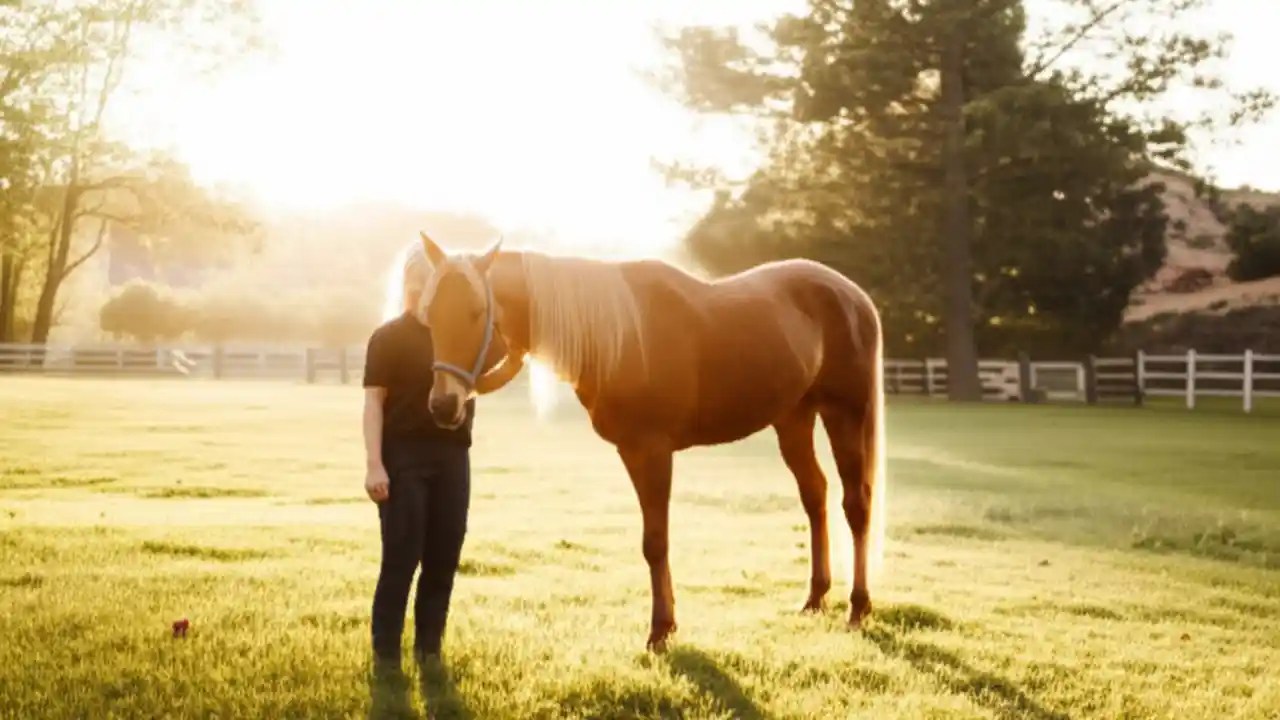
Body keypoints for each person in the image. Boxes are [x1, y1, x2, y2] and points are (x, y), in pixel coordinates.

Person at [362, 244, 476, 671]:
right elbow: (374, 403)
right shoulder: (387, 337)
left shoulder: (457, 337)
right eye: (412, 284)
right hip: (403, 456)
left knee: (443, 559)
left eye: (425, 284)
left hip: (453, 456)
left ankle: (429, 652)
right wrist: (375, 463)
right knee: (400, 560)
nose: (418, 293)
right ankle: (386, 656)